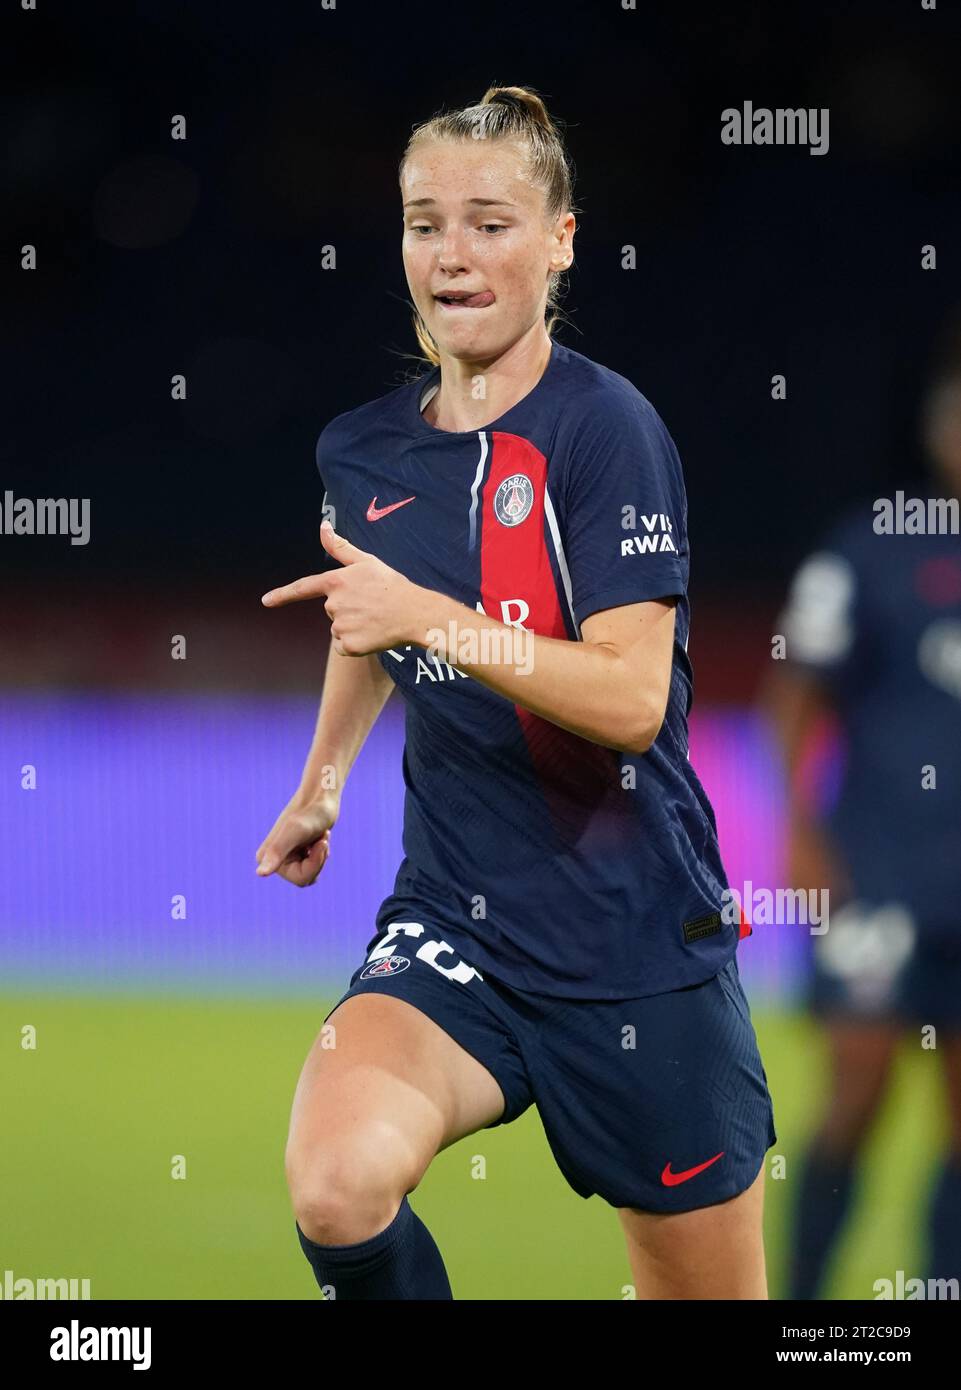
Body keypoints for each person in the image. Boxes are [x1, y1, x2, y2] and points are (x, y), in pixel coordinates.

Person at [257, 84, 775, 1301]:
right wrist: (319, 788)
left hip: (636, 947)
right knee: (336, 1184)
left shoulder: (606, 433)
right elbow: (363, 621)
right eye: (423, 221)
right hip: (457, 927)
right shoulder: (362, 449)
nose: (451, 254)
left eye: (490, 222)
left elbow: (632, 699)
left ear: (560, 240)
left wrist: (430, 617)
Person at [764, 331, 961, 1299]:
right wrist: (800, 832)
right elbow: (795, 693)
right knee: (857, 1084)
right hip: (876, 870)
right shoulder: (873, 545)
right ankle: (799, 1301)